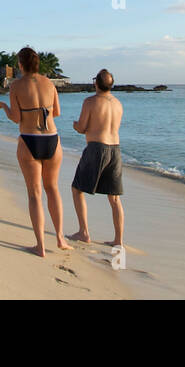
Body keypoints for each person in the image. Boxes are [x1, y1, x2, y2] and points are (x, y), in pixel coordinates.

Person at [0, 46, 72, 257]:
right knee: (53, 189)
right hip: (52, 140)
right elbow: (57, 112)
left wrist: (4, 107)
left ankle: (40, 246)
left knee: (35, 193)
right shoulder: (49, 83)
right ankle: (60, 238)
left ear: (20, 65)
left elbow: (16, 118)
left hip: (29, 140)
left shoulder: (16, 85)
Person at [70, 69, 125, 248]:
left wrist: (75, 126)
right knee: (114, 198)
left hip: (96, 148)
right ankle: (118, 240)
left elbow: (83, 127)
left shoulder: (90, 101)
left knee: (77, 189)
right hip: (115, 149)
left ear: (96, 83)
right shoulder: (118, 104)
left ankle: (83, 232)